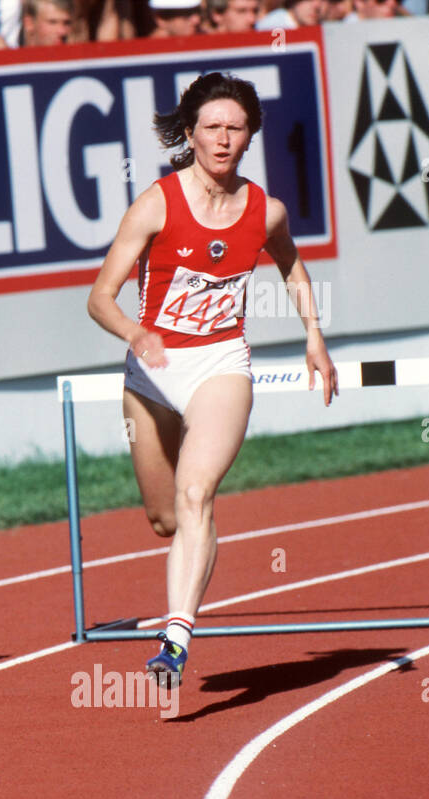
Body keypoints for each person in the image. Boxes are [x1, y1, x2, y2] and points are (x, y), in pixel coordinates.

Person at [86, 72, 337, 685]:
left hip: (222, 363)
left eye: (236, 128)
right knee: (164, 518)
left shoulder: (264, 210)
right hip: (151, 373)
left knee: (196, 493)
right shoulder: (156, 204)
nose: (224, 139)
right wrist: (135, 333)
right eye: (213, 127)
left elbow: (294, 268)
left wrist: (313, 335)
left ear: (250, 136)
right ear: (191, 134)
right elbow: (99, 297)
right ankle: (186, 568)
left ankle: (175, 637)